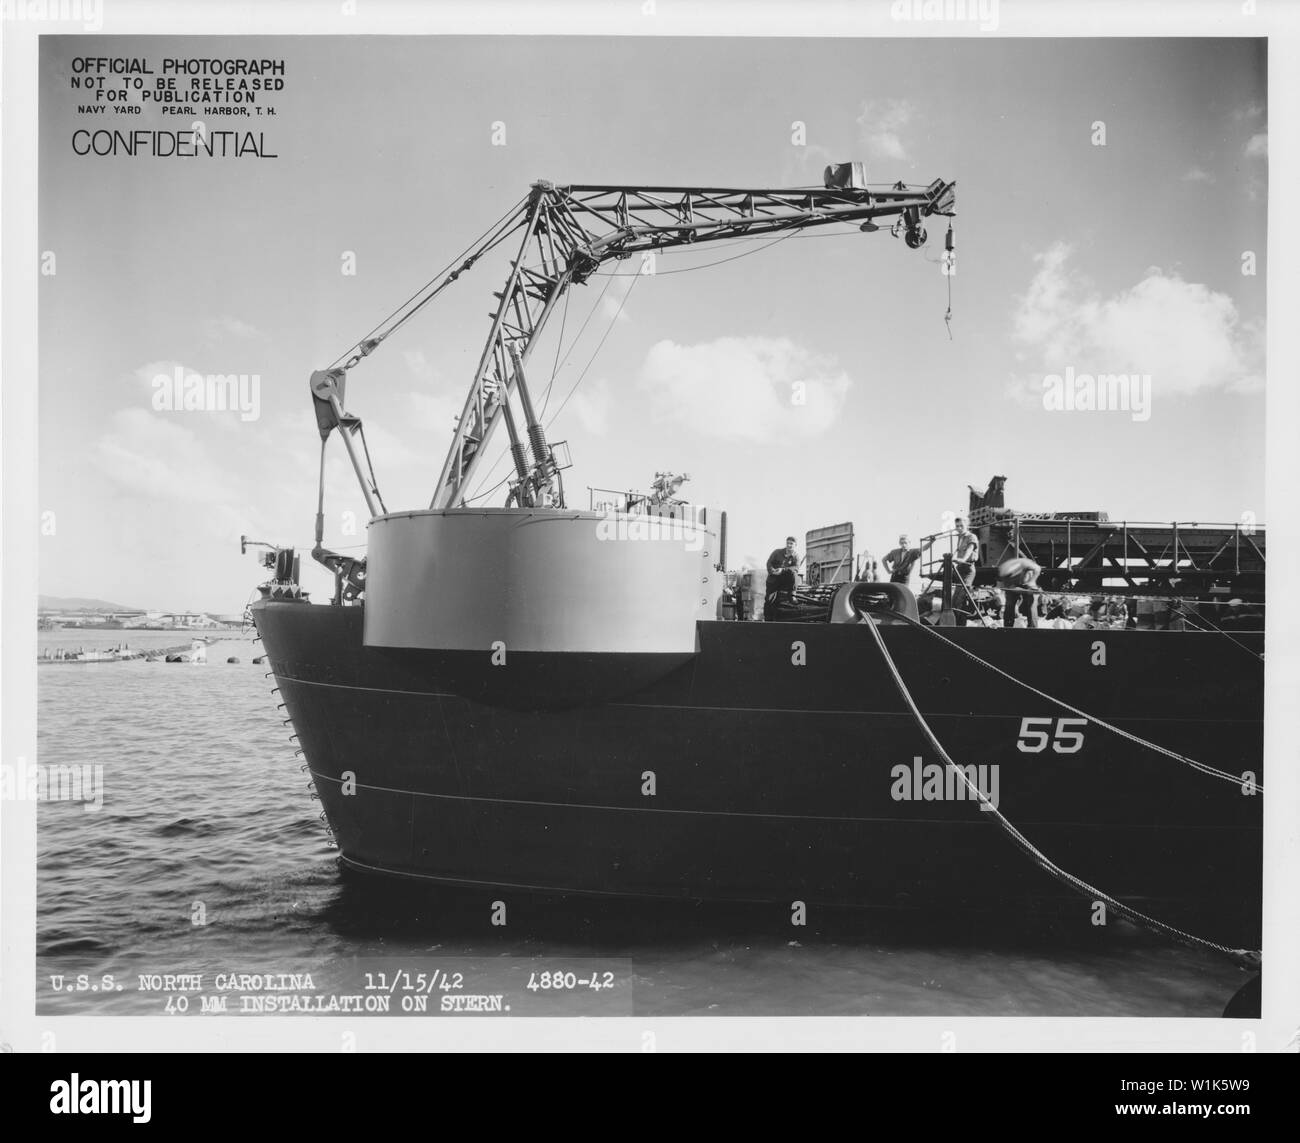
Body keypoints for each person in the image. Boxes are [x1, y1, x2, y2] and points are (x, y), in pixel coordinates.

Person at [996, 557, 1041, 628]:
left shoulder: (1031, 567)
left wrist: (1031, 586)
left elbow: (1036, 571)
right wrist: (1024, 591)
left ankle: (1033, 627)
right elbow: (1010, 588)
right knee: (1009, 604)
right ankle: (1008, 627)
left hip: (1027, 578)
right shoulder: (1005, 572)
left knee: (1032, 602)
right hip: (1012, 580)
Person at [951, 517, 981, 626]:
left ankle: (959, 625)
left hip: (967, 569)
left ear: (966, 526)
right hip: (960, 568)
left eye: (961, 526)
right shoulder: (960, 538)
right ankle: (960, 624)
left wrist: (962, 560)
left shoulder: (971, 537)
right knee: (957, 600)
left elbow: (969, 550)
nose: (959, 528)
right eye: (957, 526)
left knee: (959, 598)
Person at [765, 536, 800, 607]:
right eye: (787, 543)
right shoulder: (777, 552)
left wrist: (783, 570)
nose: (789, 545)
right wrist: (772, 571)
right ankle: (768, 617)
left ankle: (792, 595)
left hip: (785, 580)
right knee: (769, 601)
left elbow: (796, 567)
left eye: (791, 543)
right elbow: (769, 563)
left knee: (794, 573)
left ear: (795, 545)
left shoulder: (796, 556)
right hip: (774, 579)